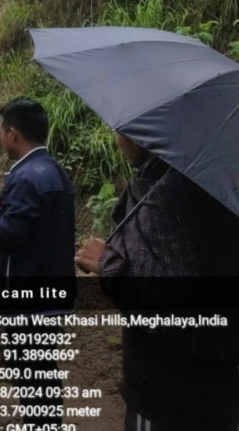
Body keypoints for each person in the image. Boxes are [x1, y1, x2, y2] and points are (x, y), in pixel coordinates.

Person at [75, 133, 239, 431]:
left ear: (143, 135)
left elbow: (171, 297)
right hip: (219, 377)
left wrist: (106, 264)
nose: (116, 140)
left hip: (167, 389)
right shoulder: (219, 178)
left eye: (121, 131)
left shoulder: (170, 191)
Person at [0, 98, 76, 428]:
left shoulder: (26, 177)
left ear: (13, 134)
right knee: (43, 371)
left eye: (1, 131)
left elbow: (13, 232)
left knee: (30, 375)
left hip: (27, 296)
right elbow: (36, 226)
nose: (0, 137)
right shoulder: (53, 171)